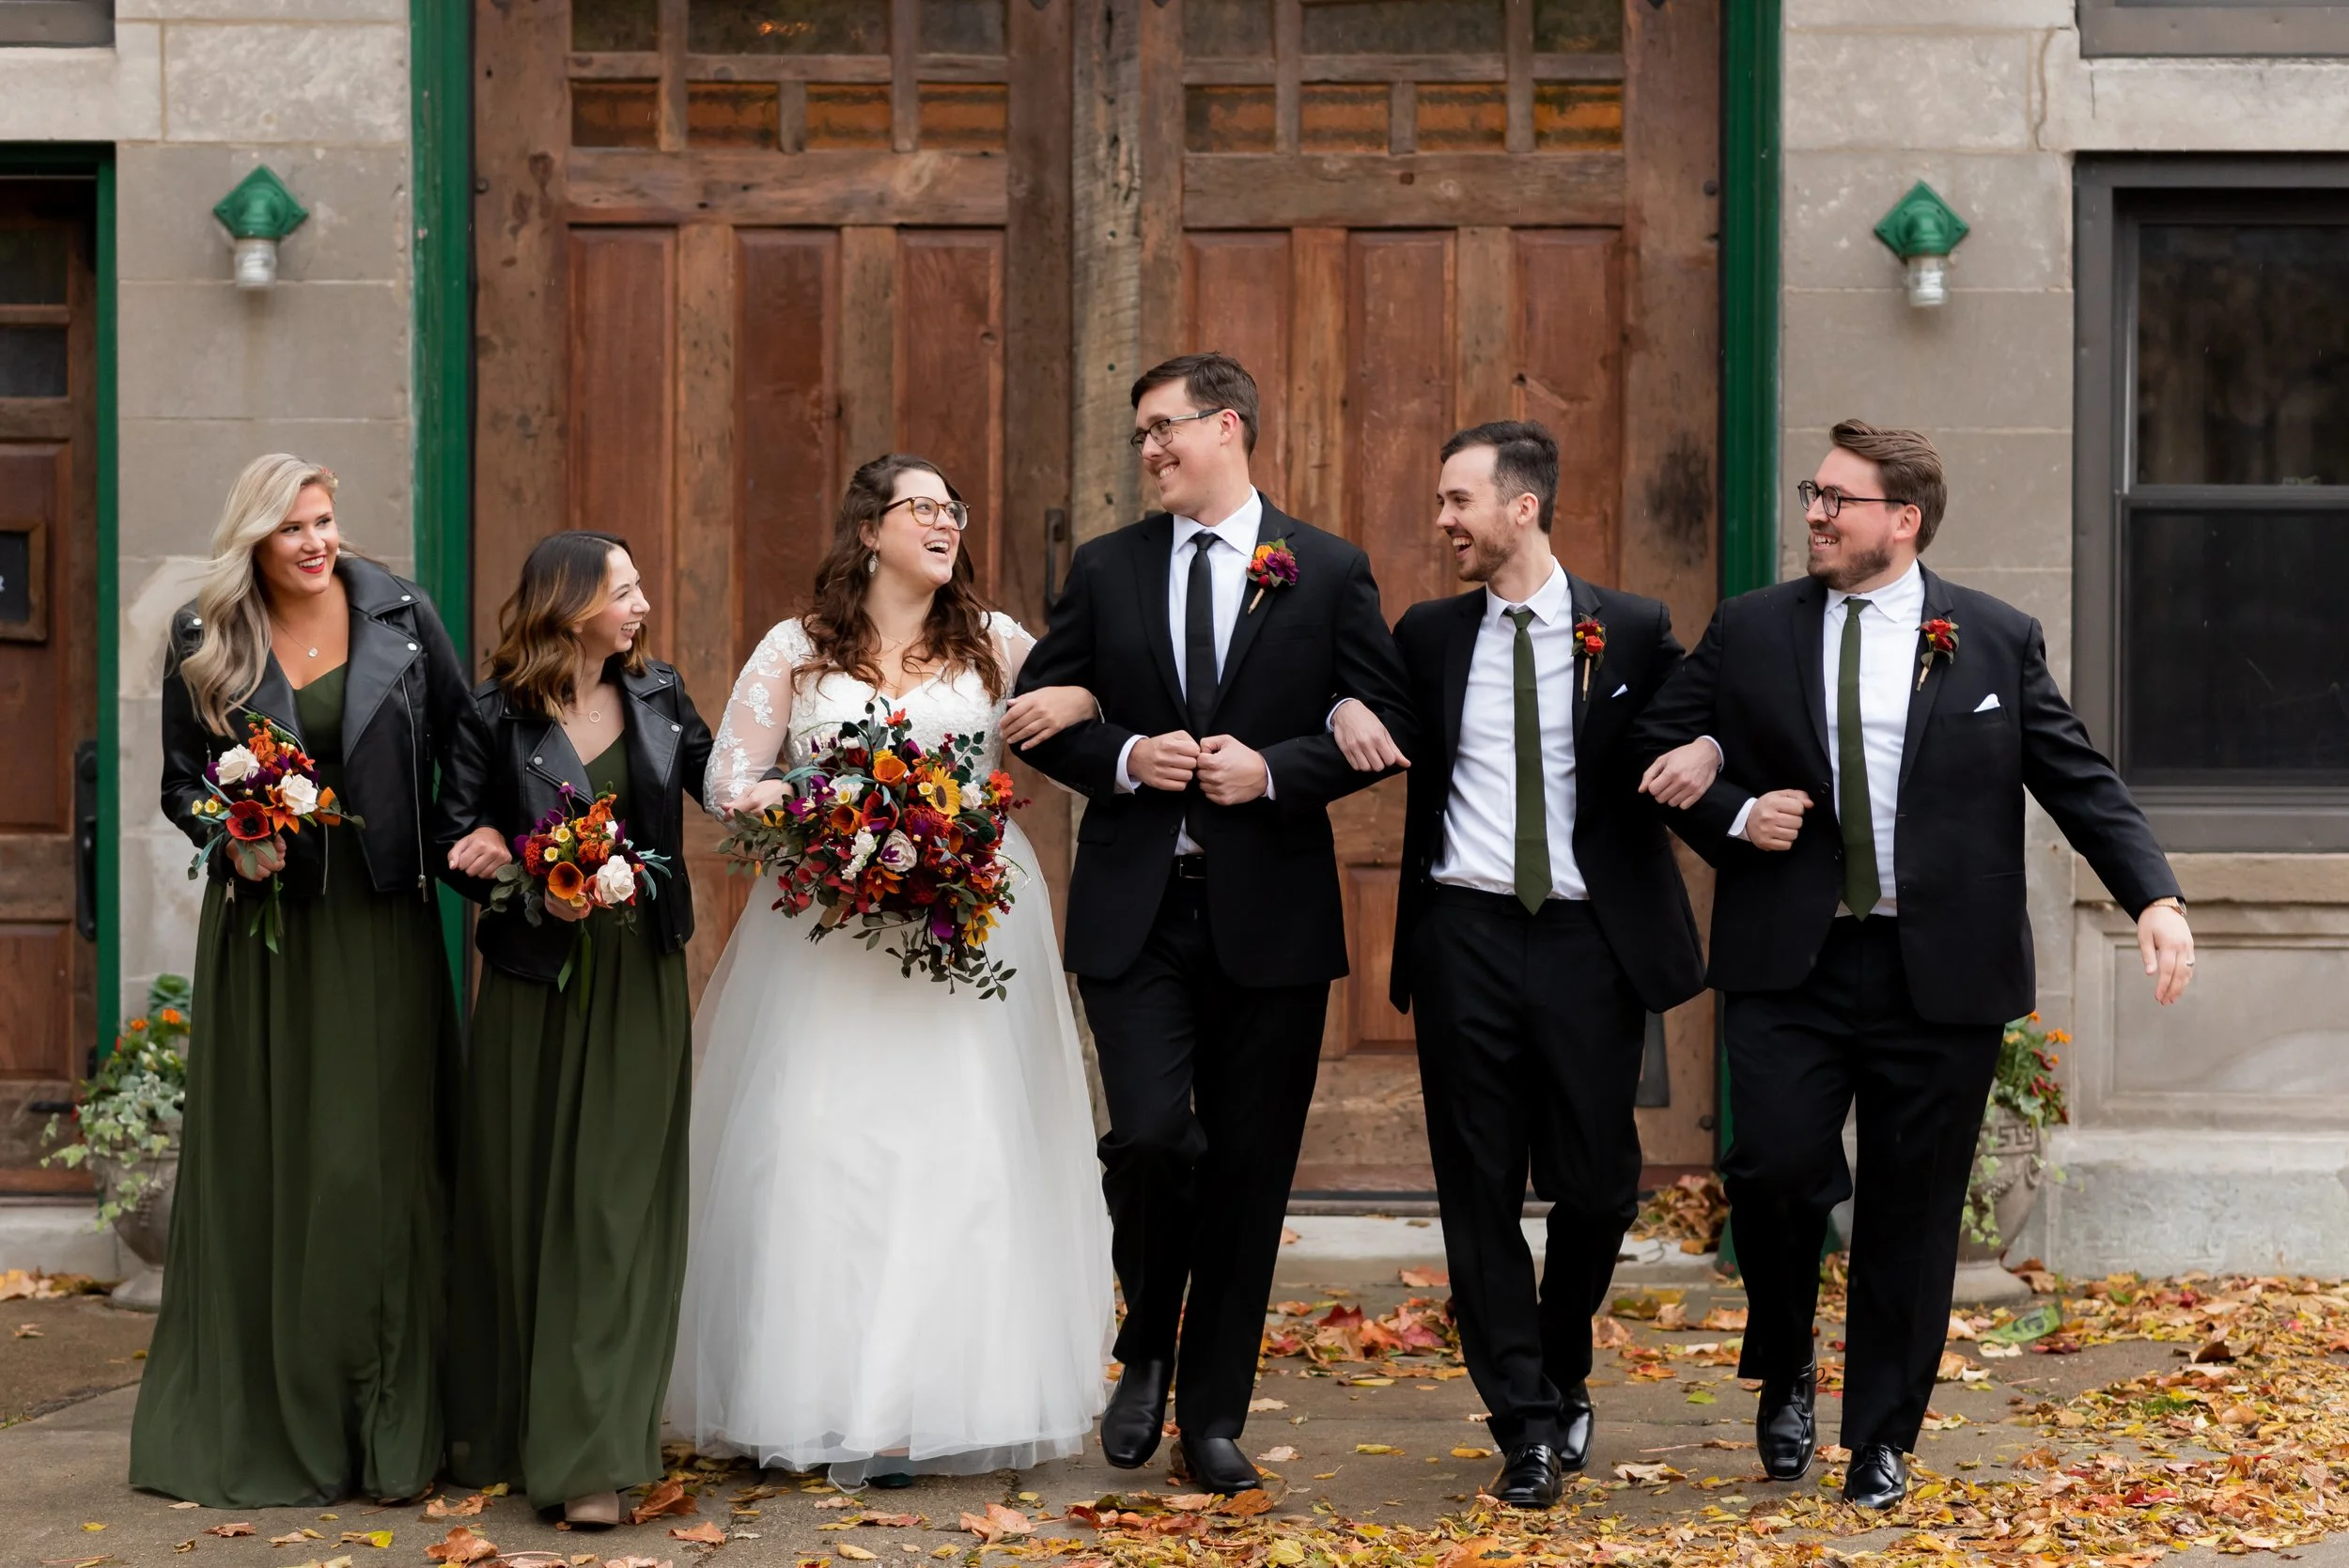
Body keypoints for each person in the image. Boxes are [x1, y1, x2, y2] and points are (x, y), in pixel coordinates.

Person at [1632, 420, 2194, 1510]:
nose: (1814, 513)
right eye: (1812, 492)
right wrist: (1735, 806)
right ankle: (1786, 1352)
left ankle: (1880, 1434)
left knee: (1912, 1208)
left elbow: (2076, 778)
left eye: (1838, 498)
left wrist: (2154, 897)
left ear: (1905, 519)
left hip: (1939, 973)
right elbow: (1651, 747)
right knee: (1775, 1169)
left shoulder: (1989, 636)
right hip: (1790, 960)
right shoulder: (1750, 630)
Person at [1013, 352, 1417, 1493]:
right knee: (1149, 1137)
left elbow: (1380, 714)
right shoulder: (1108, 567)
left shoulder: (1326, 568)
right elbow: (1044, 717)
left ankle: (1213, 1412)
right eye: (1140, 434)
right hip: (1137, 912)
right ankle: (1146, 1338)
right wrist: (1133, 757)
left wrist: (1277, 771)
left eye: (1162, 429)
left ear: (1227, 426)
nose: (1147, 450)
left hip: (1272, 917)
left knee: (1249, 1167)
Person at [670, 454, 1112, 1488]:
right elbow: (730, 779)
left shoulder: (998, 642)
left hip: (970, 926)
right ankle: (820, 1397)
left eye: (952, 508)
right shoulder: (799, 647)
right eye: (922, 506)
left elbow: (1087, 708)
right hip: (832, 928)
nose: (944, 521)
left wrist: (1082, 699)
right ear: (869, 529)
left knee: (960, 1141)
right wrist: (833, 823)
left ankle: (937, 1399)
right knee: (820, 1141)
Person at [135, 454, 469, 1506]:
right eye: (294, 528)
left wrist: (480, 839)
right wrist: (230, 837)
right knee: (279, 1162)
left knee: (376, 1167)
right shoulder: (205, 635)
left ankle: (395, 1425)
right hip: (269, 931)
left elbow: (462, 738)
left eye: (326, 520)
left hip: (381, 919)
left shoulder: (403, 615)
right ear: (255, 541)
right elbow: (181, 781)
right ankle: (282, 1414)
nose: (318, 542)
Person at [1381, 421, 1703, 1507]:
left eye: (1457, 500)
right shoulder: (1426, 634)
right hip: (1463, 934)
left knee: (1600, 1184)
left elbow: (1700, 720)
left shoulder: (1635, 627)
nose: (1442, 523)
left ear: (1521, 506)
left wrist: (1706, 753)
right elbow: (1361, 707)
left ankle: (1561, 1363)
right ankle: (1520, 1419)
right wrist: (1337, 706)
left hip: (1586, 941)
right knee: (1476, 1188)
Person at [431, 532, 714, 1527]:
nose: (641, 603)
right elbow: (452, 839)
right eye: (624, 589)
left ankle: (593, 1452)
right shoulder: (492, 713)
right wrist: (508, 872)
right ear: (570, 603)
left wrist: (807, 806)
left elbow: (720, 783)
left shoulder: (660, 693)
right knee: (523, 1206)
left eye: (639, 585)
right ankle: (514, 1426)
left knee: (612, 1207)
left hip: (637, 980)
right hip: (532, 986)